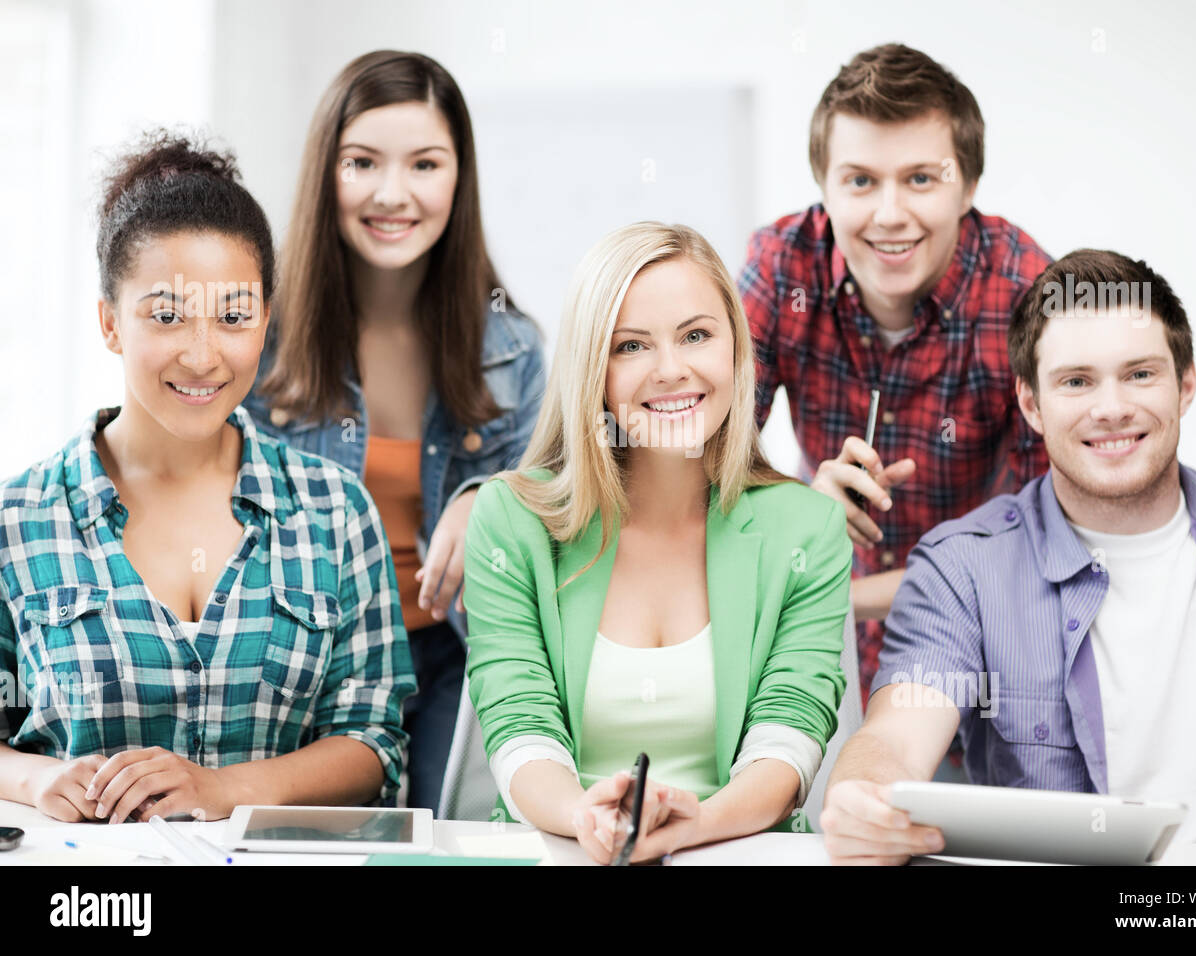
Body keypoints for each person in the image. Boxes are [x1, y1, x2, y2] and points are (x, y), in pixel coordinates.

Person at [821, 249, 1196, 863]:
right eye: (1076, 381)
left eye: (1140, 374)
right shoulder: (962, 571)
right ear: (1031, 404)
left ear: (1185, 386)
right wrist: (865, 798)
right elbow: (895, 737)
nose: (1111, 408)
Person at [0, 132, 415, 824]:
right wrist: (34, 779)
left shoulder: (335, 510)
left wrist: (229, 789)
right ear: (109, 324)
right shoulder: (19, 519)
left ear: (265, 321)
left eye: (232, 316)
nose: (202, 355)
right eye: (166, 315)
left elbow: (374, 741)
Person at [462, 222, 851, 864]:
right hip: (559, 849)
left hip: (735, 850)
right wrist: (581, 817)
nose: (672, 370)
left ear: (735, 349)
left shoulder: (807, 528)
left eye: (697, 335)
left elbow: (789, 739)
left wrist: (688, 828)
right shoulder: (511, 518)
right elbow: (517, 719)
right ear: (593, 369)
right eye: (632, 346)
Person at [240, 51, 546, 811]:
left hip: (456, 654)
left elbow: (556, 510)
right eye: (362, 162)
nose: (392, 193)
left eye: (425, 164)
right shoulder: (257, 340)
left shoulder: (512, 348)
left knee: (459, 843)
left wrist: (493, 497)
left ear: (458, 177)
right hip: (309, 668)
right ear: (326, 173)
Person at [738, 43, 1052, 697]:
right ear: (823, 187)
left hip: (980, 636)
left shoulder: (1026, 289)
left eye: (920, 179)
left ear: (966, 187)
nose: (888, 214)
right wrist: (792, 513)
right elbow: (698, 465)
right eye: (860, 181)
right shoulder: (780, 268)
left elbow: (1041, 541)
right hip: (815, 651)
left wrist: (831, 592)